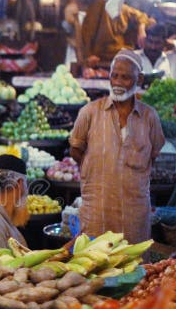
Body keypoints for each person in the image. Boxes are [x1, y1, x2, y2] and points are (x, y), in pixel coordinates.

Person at [69, 49, 165, 243]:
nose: (119, 83)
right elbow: (76, 150)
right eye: (115, 76)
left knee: (134, 267)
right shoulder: (89, 112)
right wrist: (99, 168)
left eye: (126, 78)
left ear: (139, 79)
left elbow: (153, 154)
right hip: (97, 210)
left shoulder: (149, 117)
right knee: (93, 265)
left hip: (134, 212)